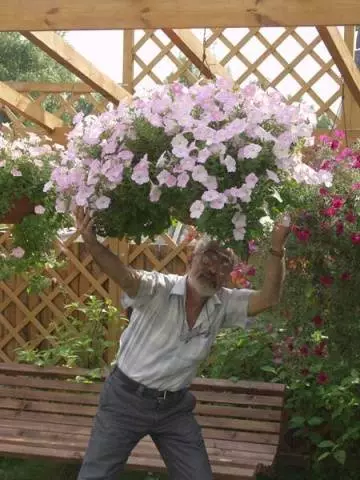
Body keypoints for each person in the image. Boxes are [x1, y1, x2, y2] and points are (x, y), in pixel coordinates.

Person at [75, 208, 290, 480]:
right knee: (97, 475)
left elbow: (269, 298)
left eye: (224, 262)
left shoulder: (223, 304)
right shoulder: (159, 289)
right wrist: (92, 243)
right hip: (125, 401)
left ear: (230, 273)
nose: (214, 268)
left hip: (173, 409)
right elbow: (125, 276)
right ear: (192, 258)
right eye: (209, 257)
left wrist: (277, 247)